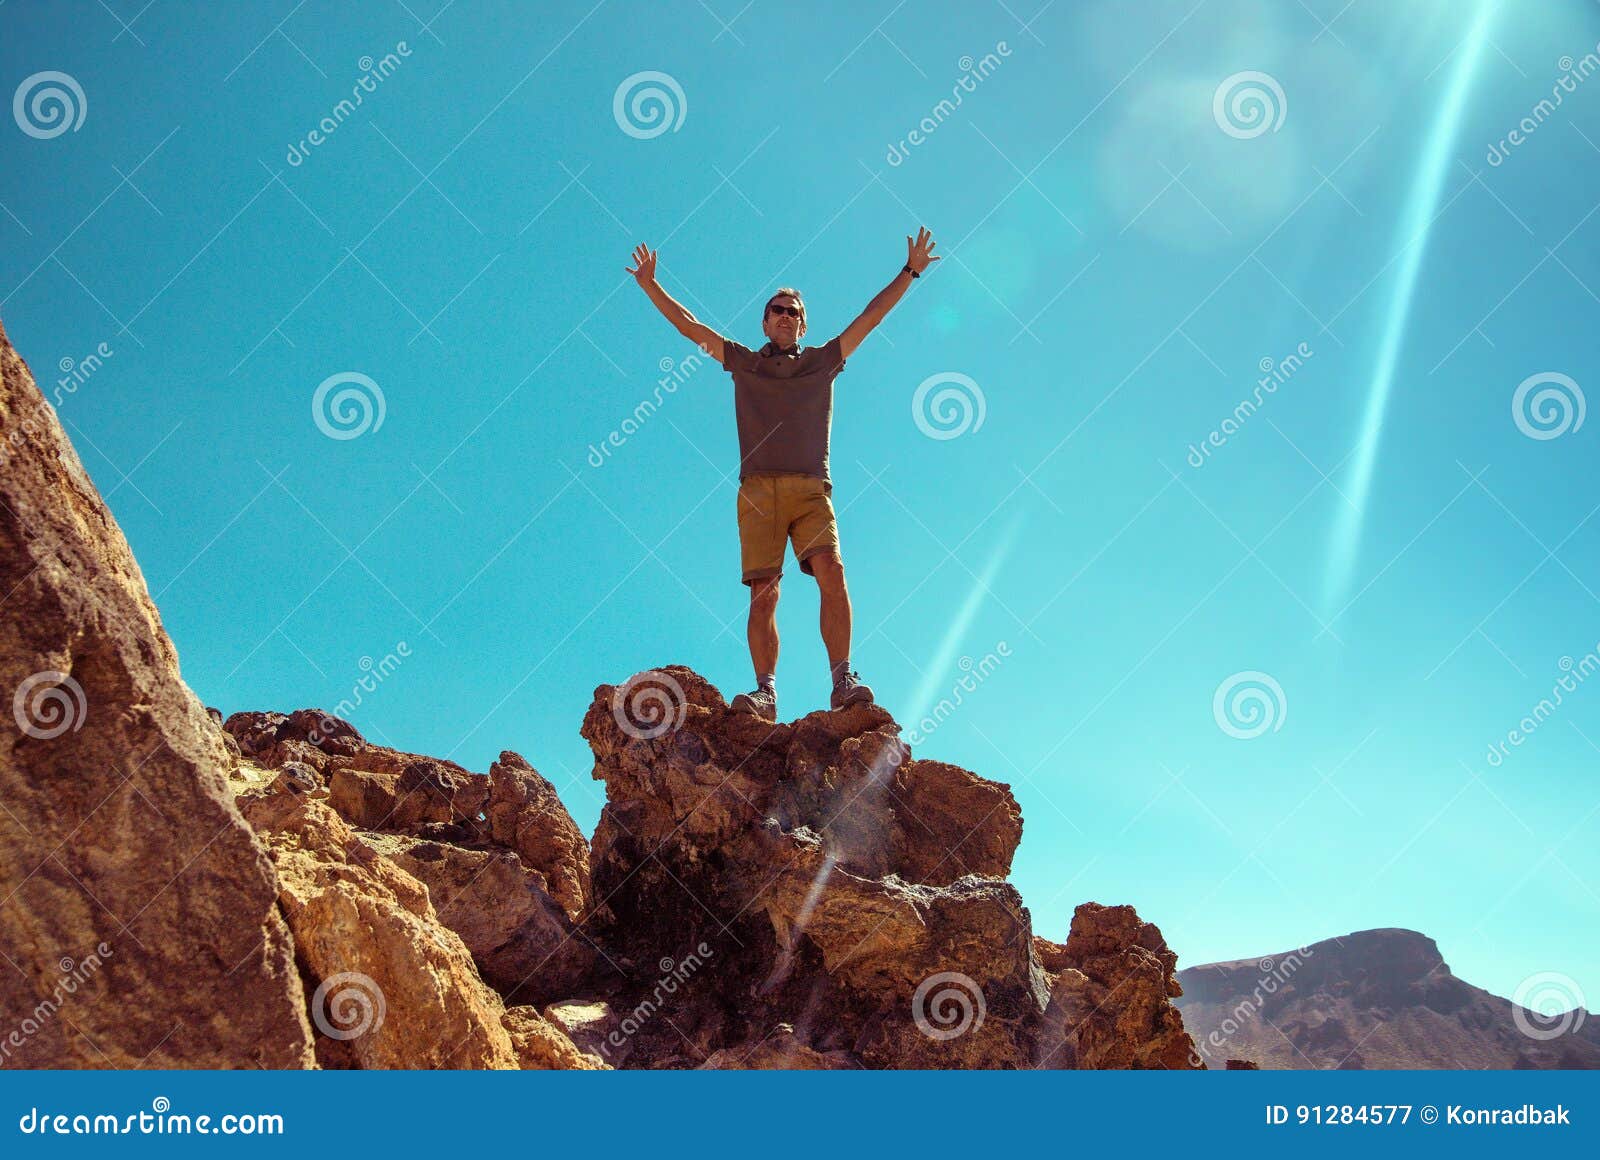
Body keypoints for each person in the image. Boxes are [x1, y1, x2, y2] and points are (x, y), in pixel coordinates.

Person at [627, 228, 940, 721]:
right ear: (765, 321)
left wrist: (911, 270)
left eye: (794, 311)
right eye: (778, 308)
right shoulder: (744, 362)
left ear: (803, 324)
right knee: (764, 593)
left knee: (832, 573)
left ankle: (842, 680)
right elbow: (690, 326)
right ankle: (766, 692)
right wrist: (650, 285)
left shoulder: (822, 362)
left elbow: (871, 316)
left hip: (812, 489)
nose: (786, 315)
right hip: (758, 492)